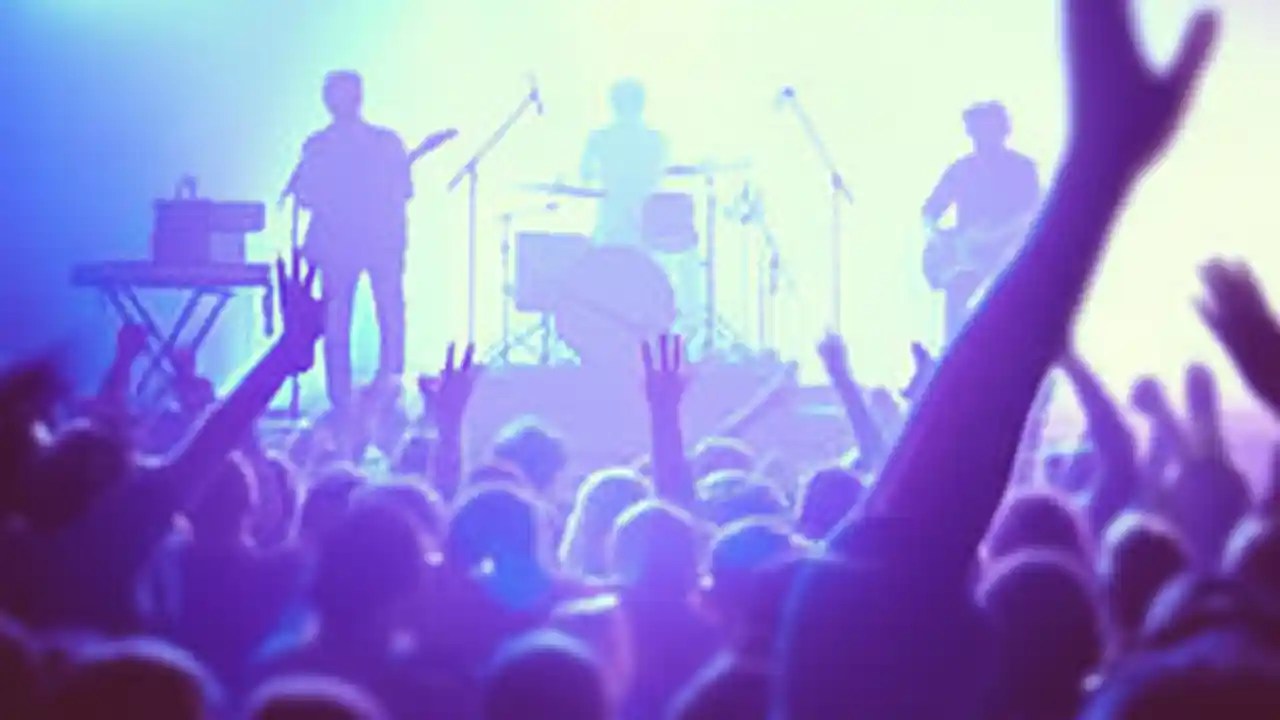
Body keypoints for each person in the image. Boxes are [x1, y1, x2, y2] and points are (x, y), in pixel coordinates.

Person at [289, 71, 413, 411]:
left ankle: (389, 385)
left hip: (378, 242)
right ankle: (340, 395)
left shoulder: (386, 142)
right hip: (338, 243)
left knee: (389, 314)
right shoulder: (318, 145)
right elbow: (306, 195)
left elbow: (403, 191)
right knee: (336, 320)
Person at [922, 101, 1042, 342]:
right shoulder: (961, 170)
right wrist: (940, 239)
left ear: (1002, 130)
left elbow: (1034, 215)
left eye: (987, 129)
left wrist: (998, 237)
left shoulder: (1022, 168)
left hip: (1009, 258)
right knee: (956, 318)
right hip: (969, 263)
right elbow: (929, 213)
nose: (980, 138)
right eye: (975, 131)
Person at [581, 79, 669, 248]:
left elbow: (585, 174)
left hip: (612, 219)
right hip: (644, 220)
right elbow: (660, 176)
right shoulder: (656, 139)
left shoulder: (599, 137)